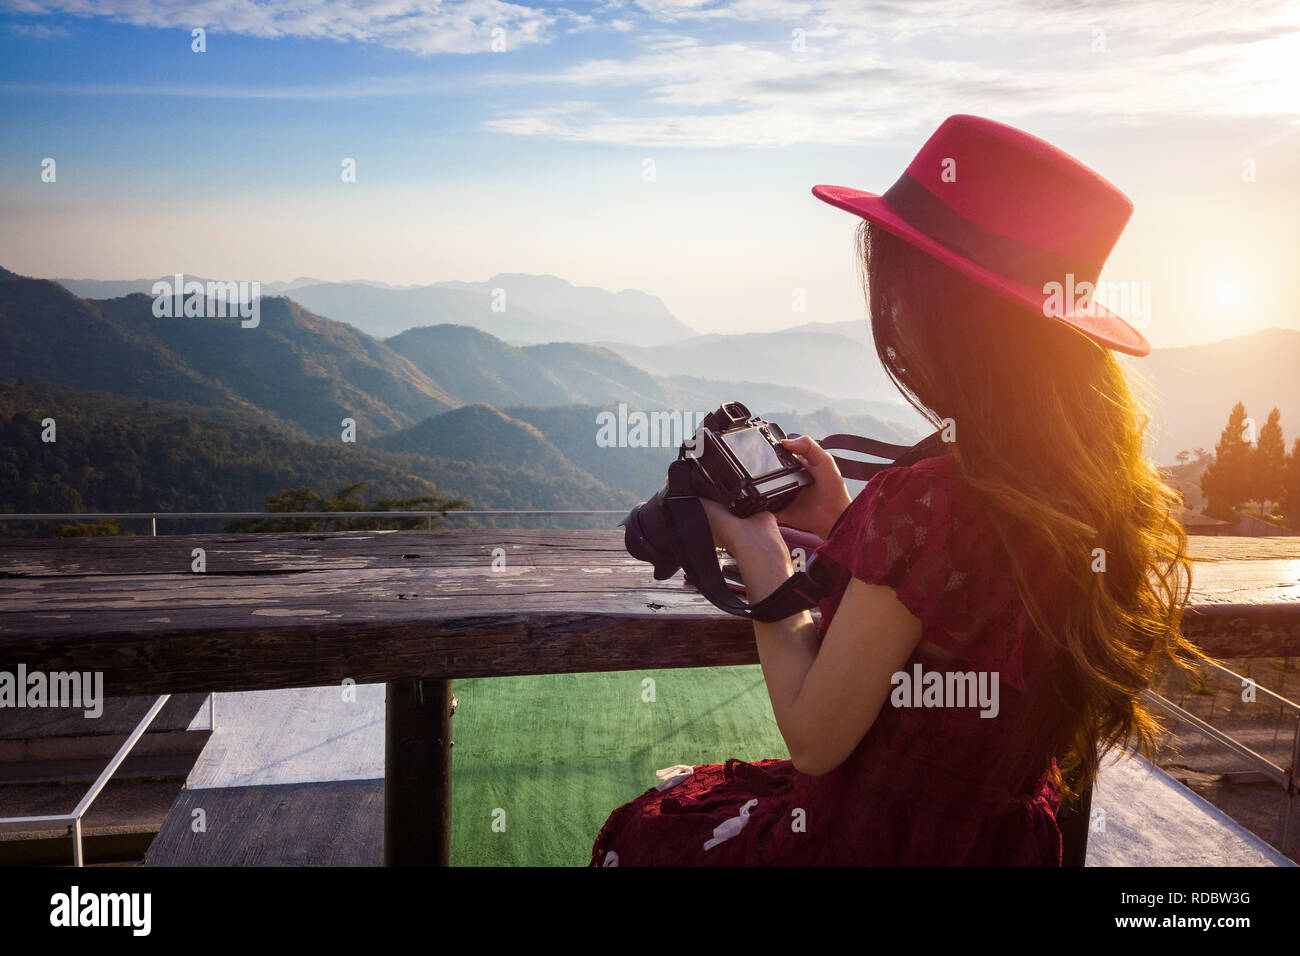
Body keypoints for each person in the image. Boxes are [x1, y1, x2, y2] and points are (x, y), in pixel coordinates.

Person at [589, 114, 1200, 866]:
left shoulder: (933, 500)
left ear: (943, 310)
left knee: (644, 833)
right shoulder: (1086, 494)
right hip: (1002, 843)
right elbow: (958, 621)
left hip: (875, 842)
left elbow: (815, 738)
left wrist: (756, 546)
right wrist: (853, 524)